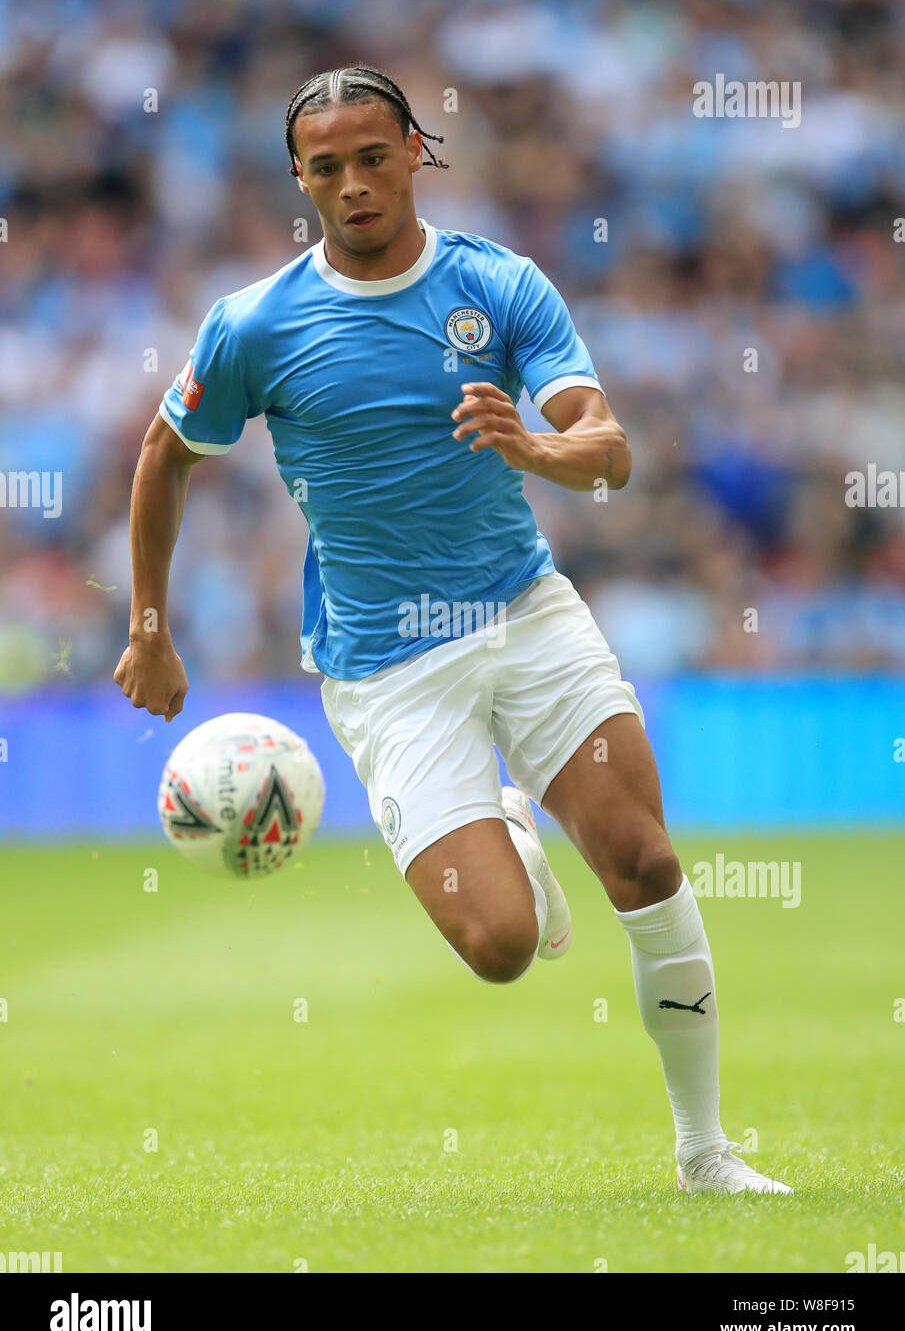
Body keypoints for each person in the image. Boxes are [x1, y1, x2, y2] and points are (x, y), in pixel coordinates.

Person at [115, 64, 791, 1195]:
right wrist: (148, 626)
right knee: (500, 946)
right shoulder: (257, 324)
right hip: (388, 670)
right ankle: (510, 843)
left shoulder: (499, 285)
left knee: (644, 859)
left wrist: (535, 447)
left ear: (415, 152)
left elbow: (608, 448)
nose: (353, 184)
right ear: (299, 179)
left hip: (524, 615)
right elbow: (161, 455)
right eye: (324, 168)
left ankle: (703, 1153)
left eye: (372, 157)